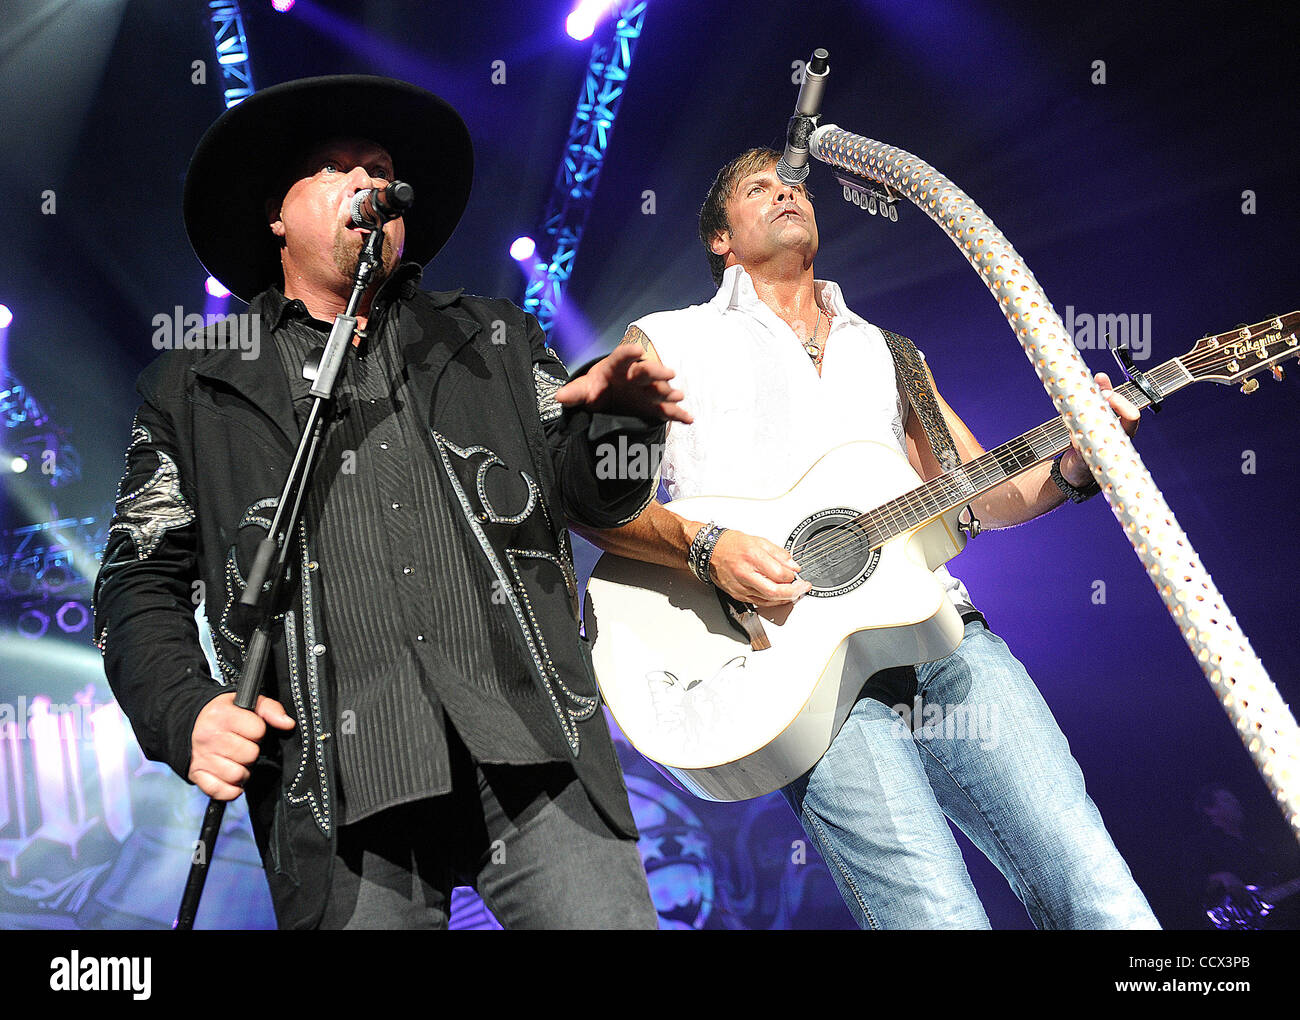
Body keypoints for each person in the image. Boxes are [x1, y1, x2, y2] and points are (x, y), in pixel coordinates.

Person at [93, 75, 690, 930]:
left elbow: (592, 497)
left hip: (527, 747)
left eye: (378, 167)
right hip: (337, 790)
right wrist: (184, 711)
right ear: (276, 214)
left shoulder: (493, 339)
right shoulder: (193, 384)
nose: (366, 182)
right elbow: (137, 579)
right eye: (334, 169)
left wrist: (625, 426)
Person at [573, 146, 1161, 929]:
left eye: (794, 186)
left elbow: (983, 494)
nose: (788, 192)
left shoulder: (887, 350)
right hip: (787, 670)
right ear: (720, 237)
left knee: (1095, 883)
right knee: (937, 916)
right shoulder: (668, 342)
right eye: (760, 188)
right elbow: (588, 499)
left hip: (944, 642)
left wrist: (1076, 467)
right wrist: (706, 547)